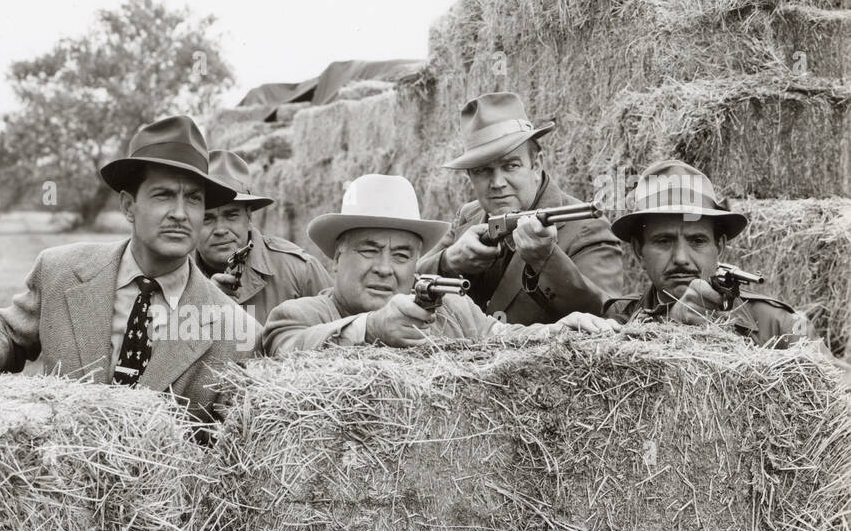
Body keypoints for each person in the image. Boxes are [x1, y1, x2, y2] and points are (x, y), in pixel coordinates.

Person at [0, 116, 260, 423]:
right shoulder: (59, 272)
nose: (179, 213)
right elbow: (9, 333)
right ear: (128, 206)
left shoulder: (234, 332)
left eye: (193, 198)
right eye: (163, 195)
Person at [262, 174, 614, 355]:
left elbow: (506, 340)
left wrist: (561, 331)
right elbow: (286, 352)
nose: (385, 268)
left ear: (417, 262)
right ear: (337, 256)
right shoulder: (297, 316)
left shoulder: (452, 311)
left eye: (401, 256)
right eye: (369, 251)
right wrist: (371, 328)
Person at [415, 92, 623, 324]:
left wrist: (547, 260)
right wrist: (447, 262)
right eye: (482, 171)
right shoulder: (468, 216)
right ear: (469, 176)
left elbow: (608, 320)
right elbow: (400, 286)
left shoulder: (587, 226)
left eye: (510, 166)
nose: (497, 183)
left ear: (536, 166)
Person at [603, 160, 815, 347]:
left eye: (697, 241)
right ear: (639, 251)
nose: (681, 258)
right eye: (663, 241)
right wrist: (670, 326)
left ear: (719, 247)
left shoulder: (780, 325)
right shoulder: (617, 320)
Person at [195, 150, 331, 324]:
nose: (220, 229)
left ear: (249, 217)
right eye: (207, 218)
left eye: (231, 215)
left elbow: (343, 334)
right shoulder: (171, 276)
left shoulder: (300, 271)